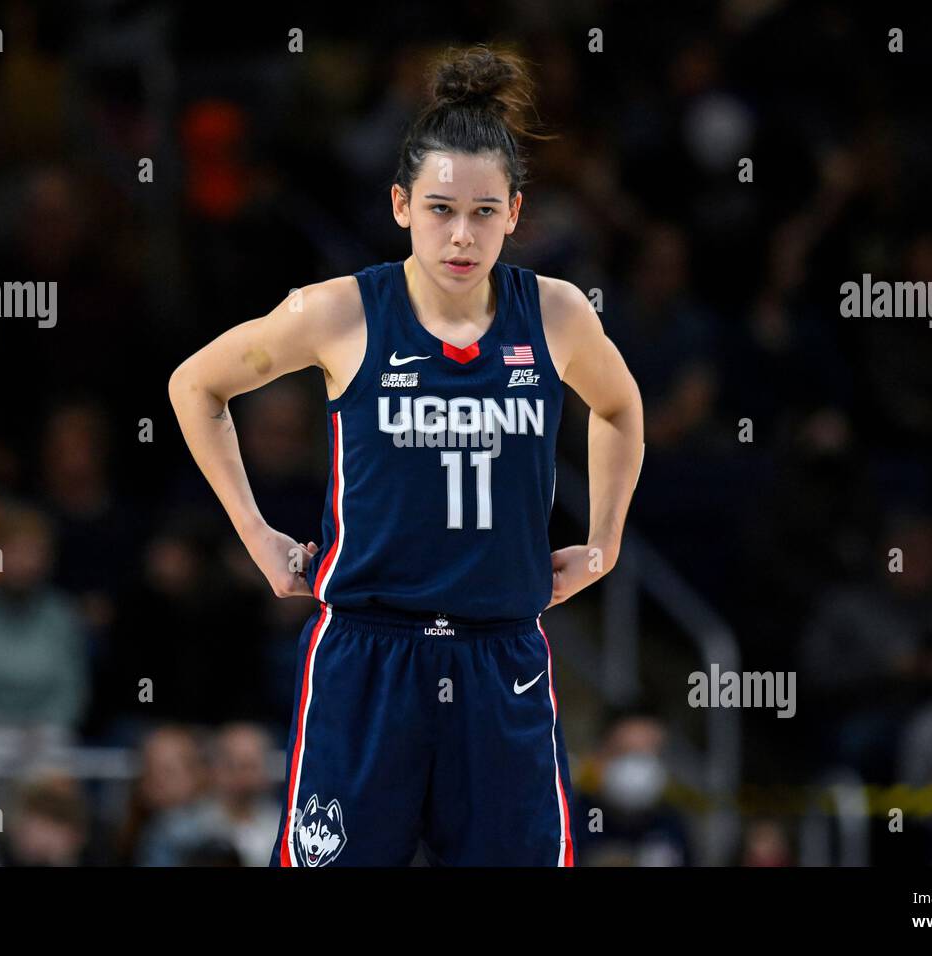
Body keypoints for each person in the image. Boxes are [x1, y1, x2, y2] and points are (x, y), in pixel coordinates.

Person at [169, 44, 644, 866]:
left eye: (485, 212)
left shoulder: (557, 315)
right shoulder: (339, 313)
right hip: (367, 651)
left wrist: (603, 543)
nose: (462, 235)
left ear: (516, 213)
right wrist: (254, 533)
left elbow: (621, 409)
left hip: (502, 657)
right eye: (439, 209)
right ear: (400, 205)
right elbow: (195, 387)